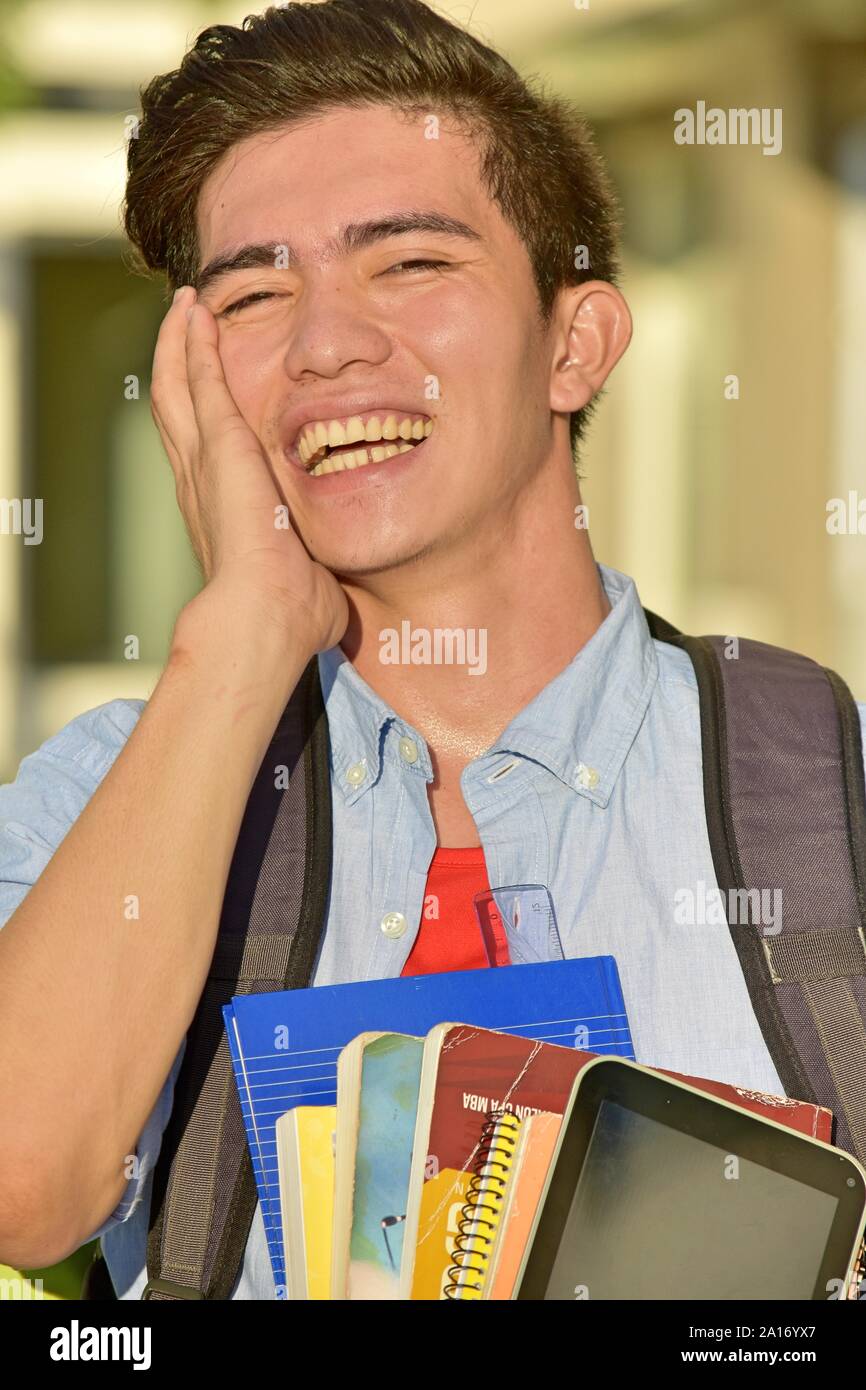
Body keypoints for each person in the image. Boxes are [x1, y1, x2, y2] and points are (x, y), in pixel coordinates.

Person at [0, 0, 862, 1299]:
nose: (324, 343)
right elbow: (22, 1184)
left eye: (408, 264)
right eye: (252, 290)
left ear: (574, 345)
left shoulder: (828, 786)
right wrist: (238, 640)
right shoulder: (107, 793)